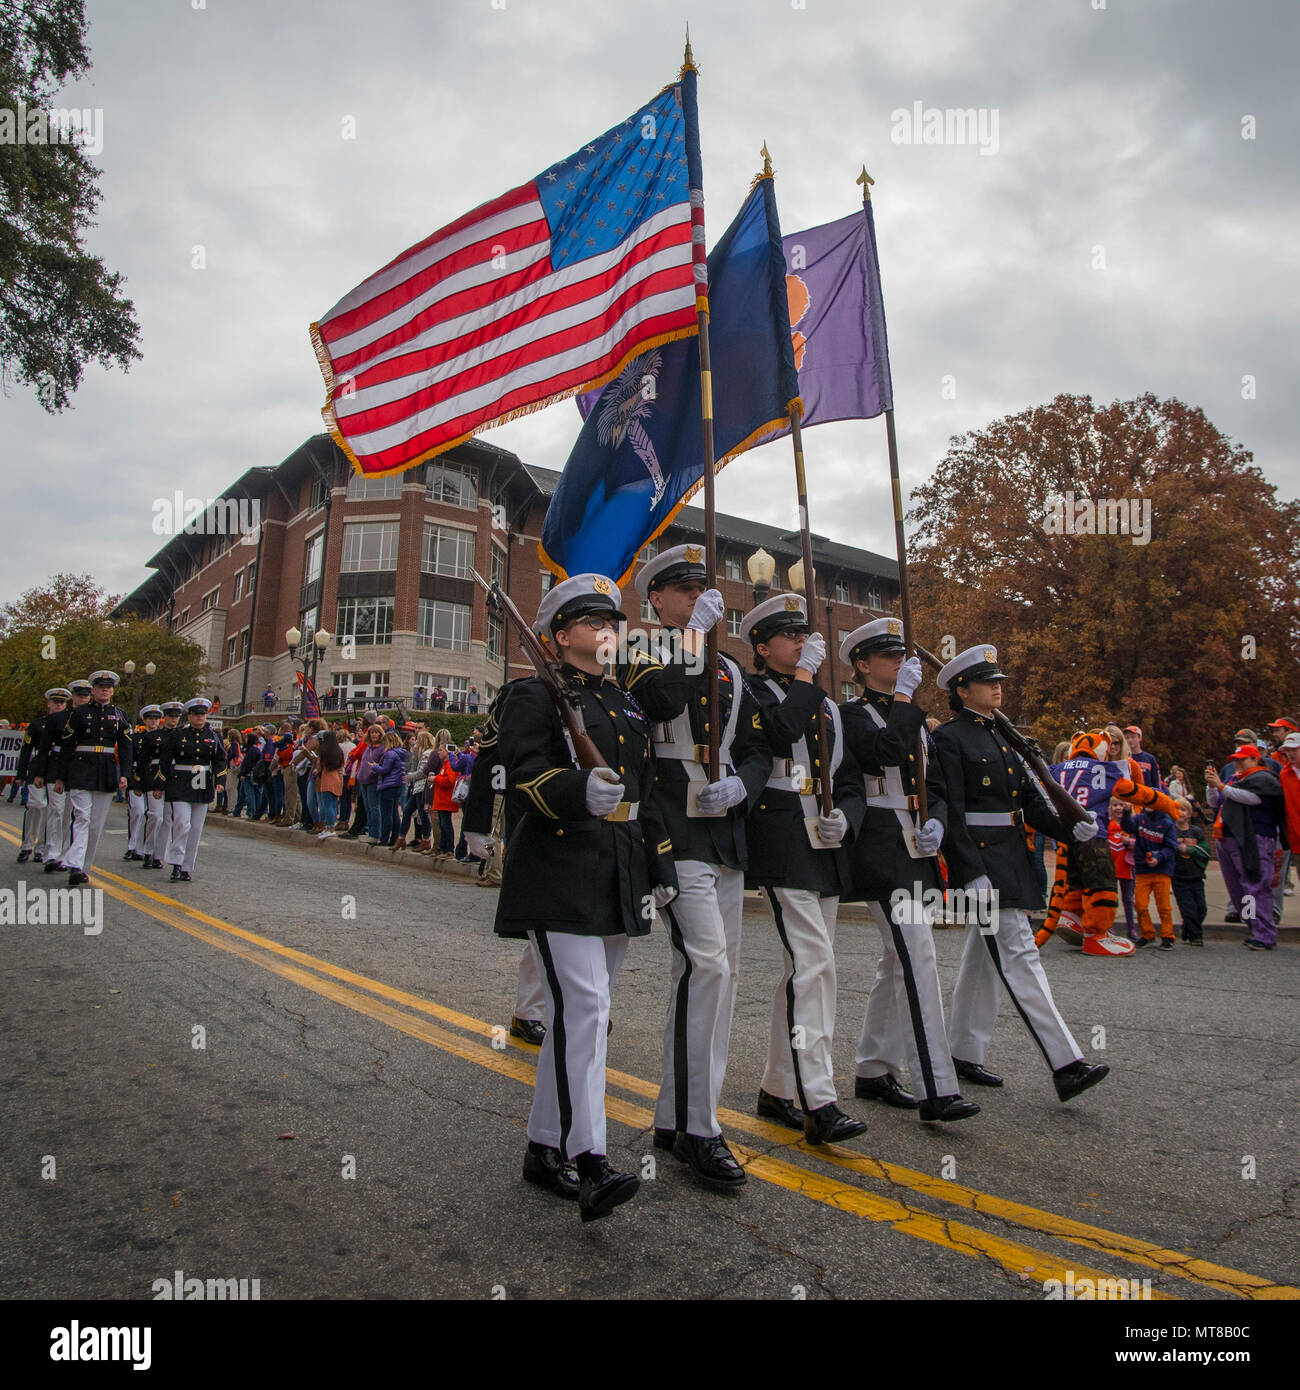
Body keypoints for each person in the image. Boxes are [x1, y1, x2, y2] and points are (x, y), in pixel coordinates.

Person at [490, 573, 677, 1222]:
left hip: (618, 870)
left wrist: (660, 864)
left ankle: (544, 1149)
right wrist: (574, 792)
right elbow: (520, 777)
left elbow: (644, 793)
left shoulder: (626, 705)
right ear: (561, 634)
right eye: (595, 622)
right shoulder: (533, 695)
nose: (609, 631)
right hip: (560, 867)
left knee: (582, 1015)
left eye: (614, 621)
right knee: (588, 1007)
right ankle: (590, 1158)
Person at [633, 544, 770, 1192]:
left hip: (723, 833)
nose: (695, 598)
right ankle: (699, 1126)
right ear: (656, 599)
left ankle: (672, 1114)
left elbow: (758, 748)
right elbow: (657, 702)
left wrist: (744, 783)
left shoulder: (730, 671)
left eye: (699, 590)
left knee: (715, 975)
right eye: (681, 590)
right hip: (673, 830)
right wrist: (688, 638)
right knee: (706, 966)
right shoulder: (641, 651)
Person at [932, 645, 1109, 1104]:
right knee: (1019, 956)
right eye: (988, 681)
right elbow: (950, 812)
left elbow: (1030, 801)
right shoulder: (950, 738)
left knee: (983, 962)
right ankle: (1067, 1063)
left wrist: (1073, 827)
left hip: (1010, 854)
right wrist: (968, 873)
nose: (998, 687)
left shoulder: (1002, 736)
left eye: (1000, 680)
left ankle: (962, 1052)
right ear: (961, 689)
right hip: (983, 864)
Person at [838, 619, 980, 1124]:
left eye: (902, 655)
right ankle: (936, 1086)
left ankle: (874, 1067)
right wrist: (904, 699)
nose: (901, 663)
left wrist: (937, 822)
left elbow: (936, 783)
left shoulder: (915, 719)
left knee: (898, 960)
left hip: (916, 844)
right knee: (917, 955)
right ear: (862, 664)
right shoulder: (851, 715)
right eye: (888, 655)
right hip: (879, 847)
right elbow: (883, 757)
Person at [739, 594, 869, 1144]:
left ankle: (777, 1088)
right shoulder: (751, 693)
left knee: (809, 969)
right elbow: (777, 734)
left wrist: (849, 817)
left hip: (823, 843)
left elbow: (855, 777)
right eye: (789, 637)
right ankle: (819, 1097)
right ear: (764, 648)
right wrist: (811, 675)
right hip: (780, 841)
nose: (800, 642)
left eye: (803, 635)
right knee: (814, 965)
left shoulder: (827, 705)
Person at [1037, 730, 1180, 957]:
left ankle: (1071, 916)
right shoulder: (1103, 769)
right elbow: (1137, 792)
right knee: (1101, 883)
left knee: (1076, 881)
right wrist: (1168, 805)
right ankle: (1097, 934)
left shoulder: (1057, 769)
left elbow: (1036, 794)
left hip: (1065, 835)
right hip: (1093, 833)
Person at [50, 671, 134, 887]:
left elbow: (125, 747)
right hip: (81, 767)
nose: (105, 690)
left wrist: (124, 774)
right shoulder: (79, 714)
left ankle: (84, 867)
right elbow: (67, 746)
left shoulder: (119, 715)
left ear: (113, 691)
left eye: (108, 687)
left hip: (105, 769)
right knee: (82, 817)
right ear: (93, 690)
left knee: (95, 824)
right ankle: (75, 866)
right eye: (100, 687)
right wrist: (60, 777)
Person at [1206, 745, 1285, 949]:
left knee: (1255, 887)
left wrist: (1222, 786)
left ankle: (1265, 933)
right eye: (1235, 759)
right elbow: (1215, 802)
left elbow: (1253, 798)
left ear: (1255, 759)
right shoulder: (1235, 779)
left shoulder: (1264, 778)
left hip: (1254, 839)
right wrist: (1212, 786)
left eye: (1242, 759)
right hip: (1229, 839)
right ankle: (1253, 928)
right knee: (1241, 890)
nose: (1238, 763)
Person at [158, 697, 227, 881]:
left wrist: (220, 779)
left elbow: (220, 759)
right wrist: (160, 784)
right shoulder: (178, 735)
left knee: (195, 827)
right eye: (196, 714)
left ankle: (187, 866)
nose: (200, 718)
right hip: (180, 779)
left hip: (201, 778)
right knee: (181, 822)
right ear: (189, 716)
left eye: (203, 714)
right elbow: (165, 760)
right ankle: (176, 862)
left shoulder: (213, 736)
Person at [34, 679, 88, 874]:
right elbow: (44, 748)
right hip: (56, 766)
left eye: (86, 696)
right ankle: (51, 853)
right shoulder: (57, 718)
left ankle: (66, 854)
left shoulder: (89, 717)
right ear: (72, 697)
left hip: (78, 767)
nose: (83, 699)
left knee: (71, 814)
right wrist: (39, 773)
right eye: (80, 695)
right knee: (56, 810)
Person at [15, 687, 69, 864]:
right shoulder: (37, 724)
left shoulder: (69, 723)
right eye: (55, 702)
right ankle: (26, 845)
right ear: (49, 704)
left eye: (62, 702)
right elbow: (26, 750)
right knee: (36, 805)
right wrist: (21, 774)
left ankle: (43, 849)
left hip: (56, 768)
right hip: (38, 767)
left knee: (53, 809)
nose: (58, 705)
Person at [1132, 802, 1178, 948]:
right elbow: (1126, 826)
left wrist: (1159, 858)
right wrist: (1127, 811)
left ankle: (1167, 935)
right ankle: (1148, 933)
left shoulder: (1167, 823)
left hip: (1161, 870)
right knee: (1140, 904)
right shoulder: (1139, 819)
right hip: (1142, 870)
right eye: (1146, 802)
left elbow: (1171, 846)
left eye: (1152, 802)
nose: (1148, 805)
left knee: (1163, 905)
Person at [123, 705, 165, 865]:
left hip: (154, 778)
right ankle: (133, 846)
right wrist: (129, 780)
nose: (153, 721)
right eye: (150, 718)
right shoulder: (136, 739)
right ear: (145, 720)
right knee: (138, 812)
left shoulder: (163, 738)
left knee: (155, 816)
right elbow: (130, 760)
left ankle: (148, 848)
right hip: (137, 778)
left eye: (155, 718)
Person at [1171, 798, 1211, 945]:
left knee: (1201, 908)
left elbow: (1206, 850)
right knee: (1188, 908)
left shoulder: (1196, 831)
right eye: (1177, 809)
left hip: (1196, 876)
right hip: (1178, 876)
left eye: (1184, 809)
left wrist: (1189, 849)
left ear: (1189, 814)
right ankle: (1196, 937)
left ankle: (1188, 928)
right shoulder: (1171, 831)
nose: (1180, 813)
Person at [1107, 797, 1138, 941]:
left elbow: (1140, 843)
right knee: (1112, 899)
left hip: (1127, 867)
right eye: (1115, 805)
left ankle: (1131, 928)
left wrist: (1130, 842)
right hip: (1111, 867)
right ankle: (1109, 925)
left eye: (1121, 805)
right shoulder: (1108, 825)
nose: (1118, 808)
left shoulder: (1131, 825)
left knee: (1128, 900)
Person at [374, 730, 406, 846]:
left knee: (387, 814)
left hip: (388, 785)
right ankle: (394, 838)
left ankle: (384, 839)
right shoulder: (401, 753)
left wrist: (375, 767)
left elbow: (385, 770)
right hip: (397, 784)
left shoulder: (390, 754)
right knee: (394, 813)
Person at [314, 729, 345, 839]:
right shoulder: (339, 750)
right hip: (338, 777)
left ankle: (330, 827)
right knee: (333, 804)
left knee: (327, 805)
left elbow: (319, 766)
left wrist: (317, 772)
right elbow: (342, 765)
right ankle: (330, 828)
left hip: (327, 777)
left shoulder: (324, 751)